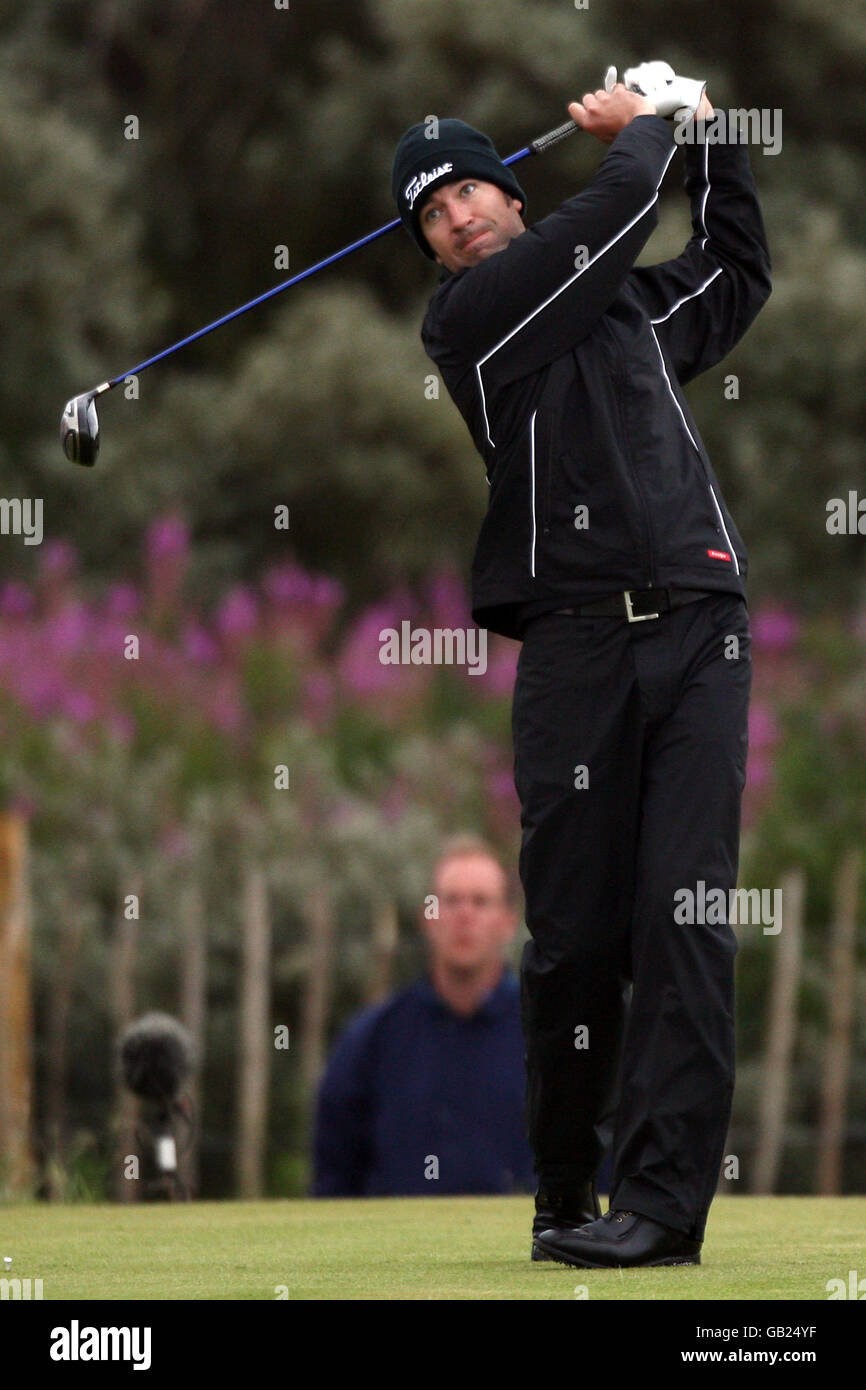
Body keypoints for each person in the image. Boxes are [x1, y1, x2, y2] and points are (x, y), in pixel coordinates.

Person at [390, 74, 771, 1266]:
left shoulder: (630, 313)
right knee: (572, 937)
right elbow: (598, 222)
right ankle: (565, 1187)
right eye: (429, 212)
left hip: (699, 623)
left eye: (465, 187)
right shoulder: (469, 324)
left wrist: (706, 139)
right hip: (572, 645)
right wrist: (646, 129)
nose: (454, 214)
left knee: (686, 917)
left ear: (507, 186)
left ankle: (659, 1210)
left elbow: (732, 268)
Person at [312, 834, 535, 1196]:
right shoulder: (371, 1040)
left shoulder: (547, 1038)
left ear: (507, 921)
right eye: (451, 901)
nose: (464, 915)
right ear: (428, 917)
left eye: (480, 902)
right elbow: (333, 1177)